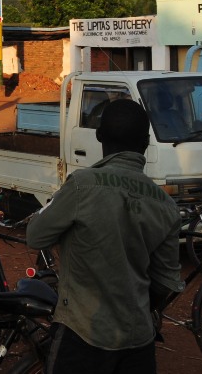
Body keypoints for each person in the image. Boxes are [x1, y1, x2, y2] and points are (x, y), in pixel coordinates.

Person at [27, 99, 183, 374]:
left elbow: (36, 237)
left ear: (99, 136)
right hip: (138, 341)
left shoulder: (81, 185)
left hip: (81, 333)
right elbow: (164, 281)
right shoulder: (165, 205)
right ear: (146, 142)